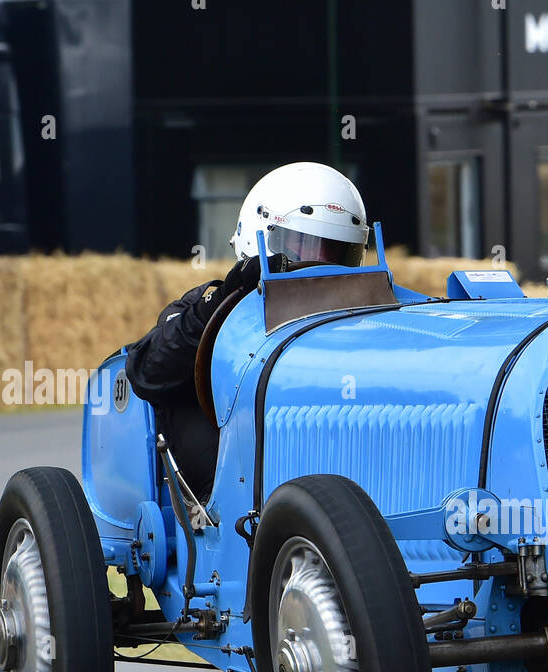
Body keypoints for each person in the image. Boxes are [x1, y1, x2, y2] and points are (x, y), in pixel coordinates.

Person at [124, 162, 371, 500]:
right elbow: (148, 371)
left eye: (337, 253)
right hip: (241, 488)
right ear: (261, 234)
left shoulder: (359, 316)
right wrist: (226, 298)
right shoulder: (206, 304)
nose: (318, 264)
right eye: (303, 248)